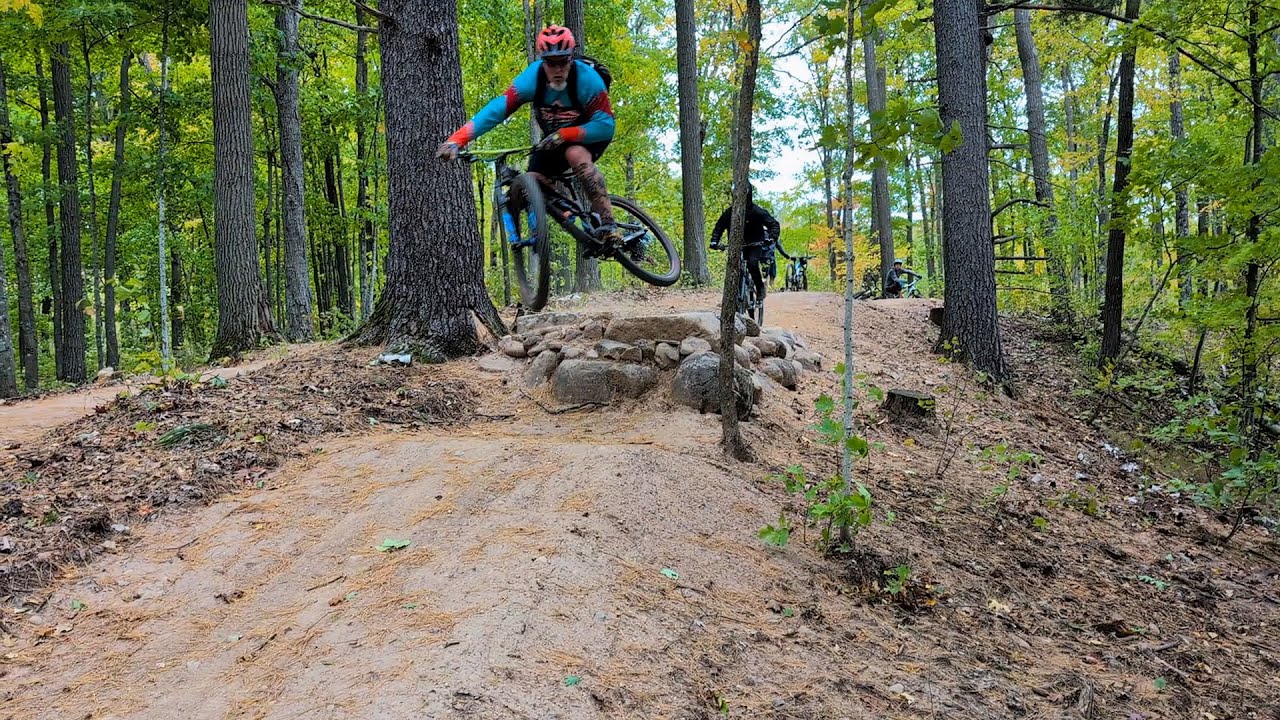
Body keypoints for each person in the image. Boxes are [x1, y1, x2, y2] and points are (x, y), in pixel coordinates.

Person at [436, 25, 621, 248]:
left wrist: (567, 133)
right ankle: (573, 213)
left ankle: (609, 225)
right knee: (531, 181)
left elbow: (606, 126)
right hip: (552, 140)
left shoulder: (588, 80)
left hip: (589, 135)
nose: (558, 69)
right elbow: (496, 109)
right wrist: (457, 140)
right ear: (542, 60)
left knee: (575, 152)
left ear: (572, 58)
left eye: (563, 61)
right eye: (551, 63)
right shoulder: (531, 80)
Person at [709, 184, 784, 298]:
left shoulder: (757, 211)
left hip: (755, 243)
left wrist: (772, 238)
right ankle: (733, 295)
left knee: (752, 264)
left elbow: (773, 224)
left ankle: (759, 287)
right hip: (736, 245)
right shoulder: (730, 212)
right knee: (733, 266)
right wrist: (714, 241)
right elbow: (719, 227)